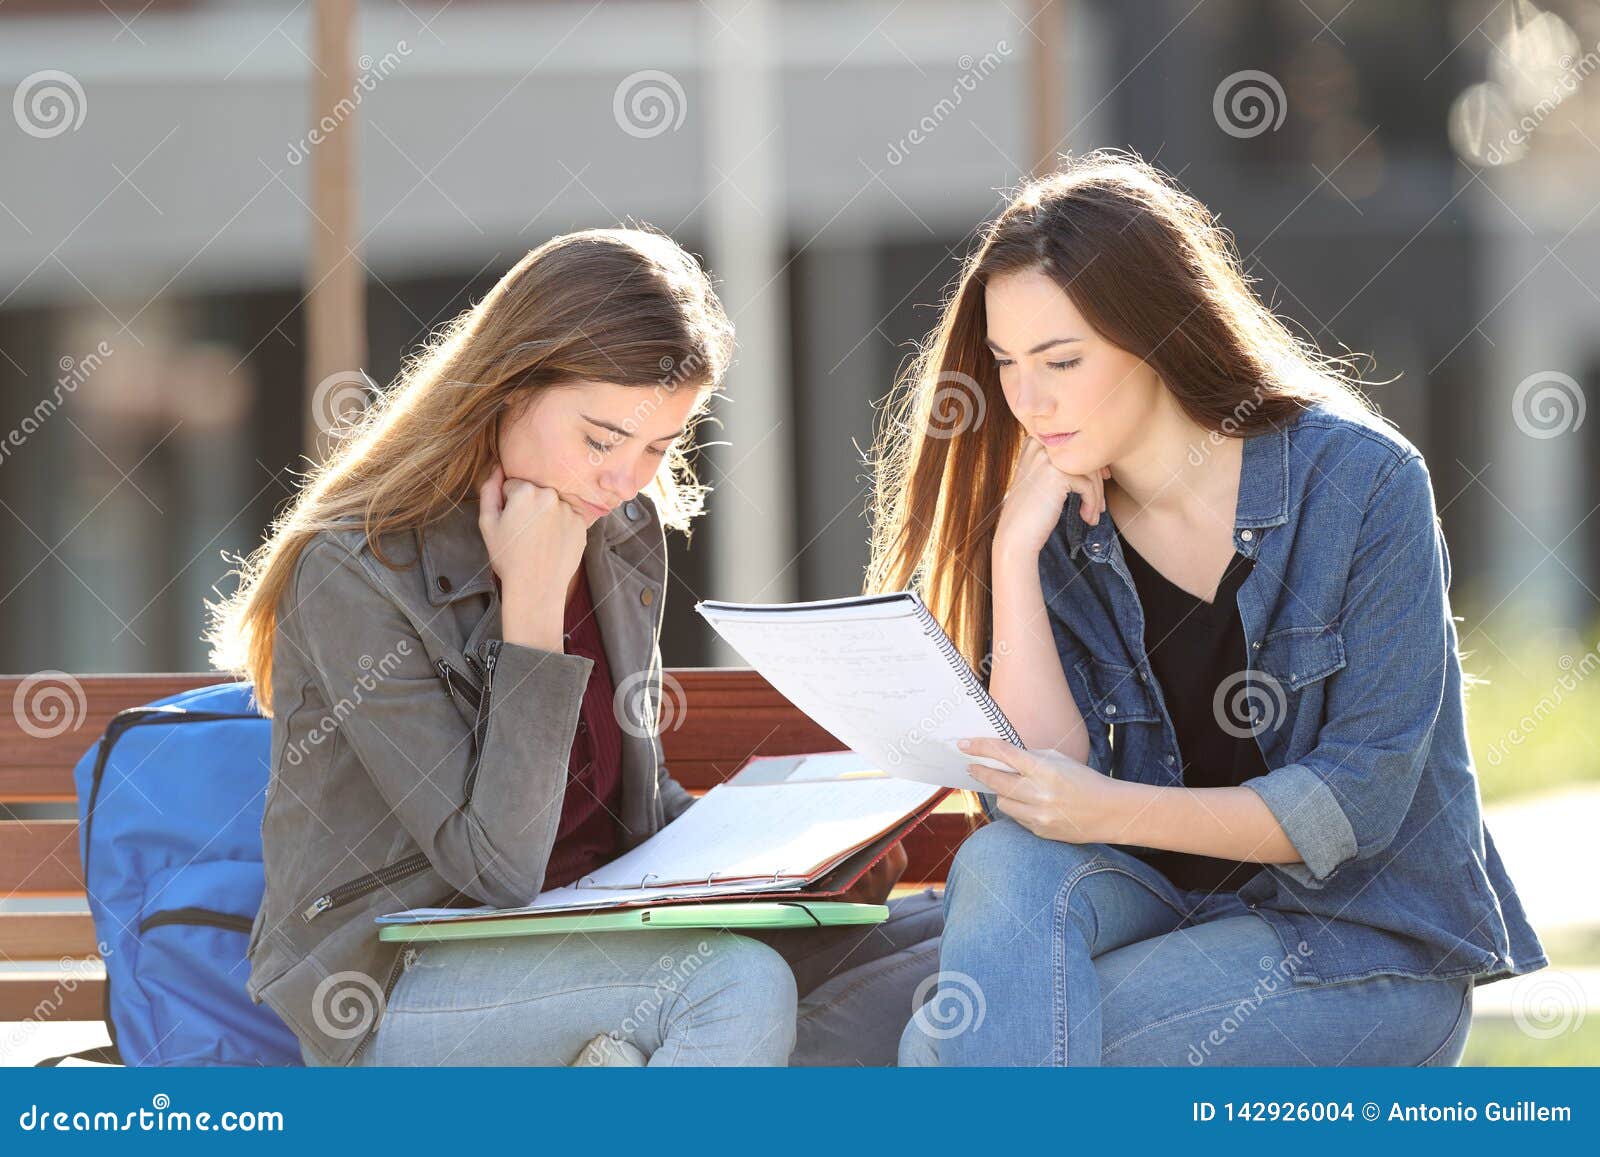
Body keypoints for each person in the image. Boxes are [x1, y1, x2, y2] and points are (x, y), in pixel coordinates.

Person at [865, 151, 1547, 1066]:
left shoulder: (1361, 484)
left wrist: (1112, 806)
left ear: (1157, 333)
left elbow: (1354, 801)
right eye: (1007, 364)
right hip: (1165, 906)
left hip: (1361, 949)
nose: (1027, 400)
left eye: (1062, 359)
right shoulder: (1060, 520)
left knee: (971, 1046)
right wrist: (1013, 555)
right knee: (999, 864)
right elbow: (1042, 793)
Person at [207, 226, 939, 1067]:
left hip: (598, 937)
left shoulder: (618, 530)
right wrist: (531, 610)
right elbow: (498, 867)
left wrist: (799, 866)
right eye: (601, 439)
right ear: (508, 390)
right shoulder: (353, 572)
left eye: (659, 447)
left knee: (944, 946)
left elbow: (625, 804)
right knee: (735, 988)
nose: (625, 480)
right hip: (396, 984)